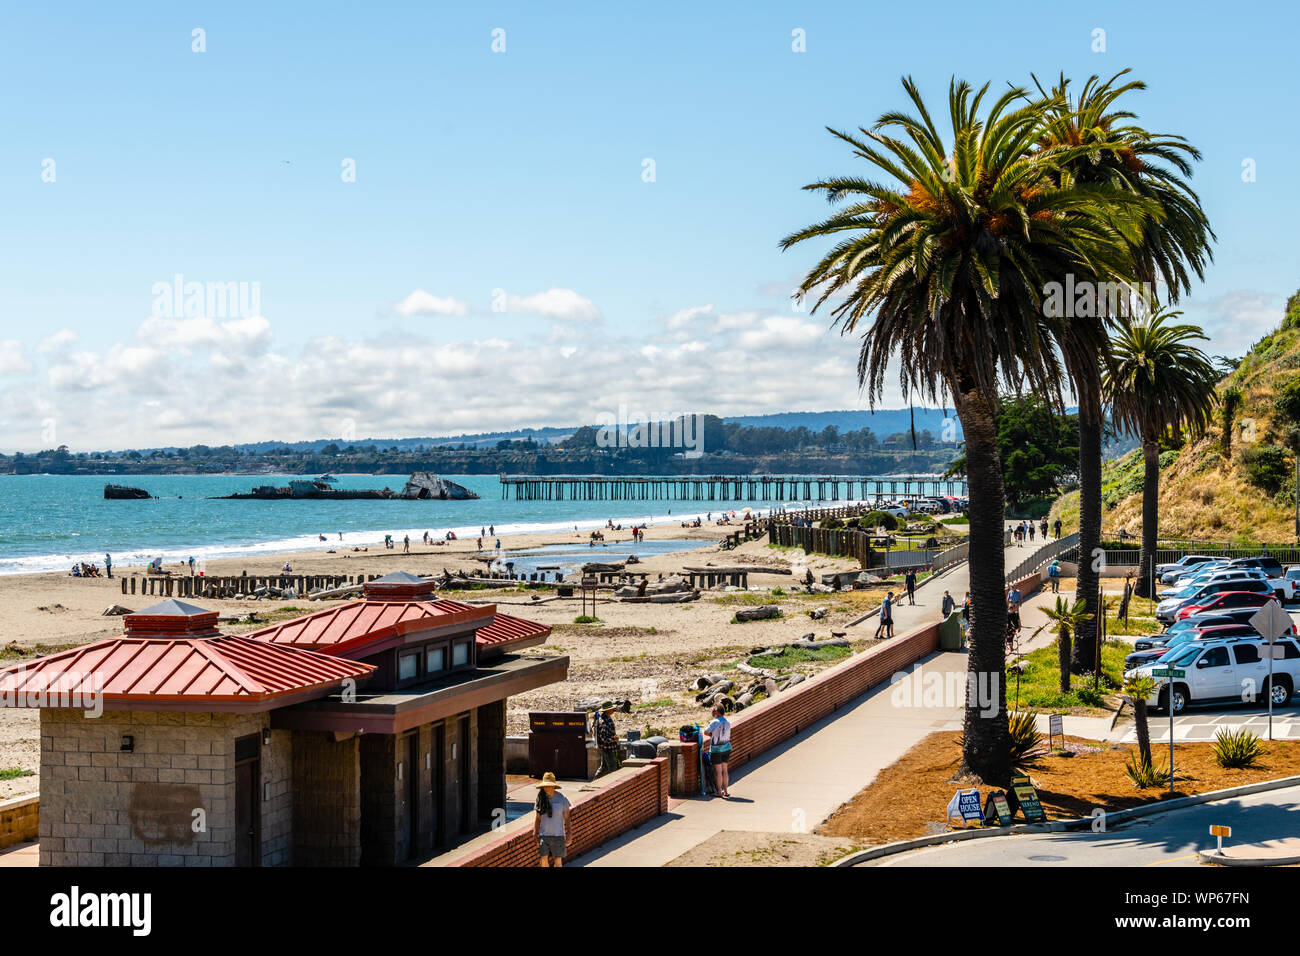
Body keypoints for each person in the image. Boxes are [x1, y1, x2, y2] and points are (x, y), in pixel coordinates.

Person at [532, 772, 571, 867]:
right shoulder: (540, 799)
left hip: (558, 835)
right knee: (543, 859)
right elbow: (537, 818)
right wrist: (535, 832)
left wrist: (569, 833)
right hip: (544, 835)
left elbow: (567, 818)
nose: (547, 788)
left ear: (553, 786)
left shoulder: (562, 798)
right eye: (545, 786)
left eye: (549, 786)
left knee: (558, 862)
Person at [704, 703, 732, 798]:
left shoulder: (714, 722)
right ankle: (726, 791)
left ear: (716, 711)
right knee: (725, 770)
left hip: (716, 749)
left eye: (713, 710)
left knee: (718, 772)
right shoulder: (727, 722)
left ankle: (719, 791)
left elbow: (705, 732)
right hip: (727, 748)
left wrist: (712, 735)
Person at [593, 701, 621, 779]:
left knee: (603, 768)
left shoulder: (608, 718)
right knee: (612, 767)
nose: (613, 710)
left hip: (608, 747)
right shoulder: (603, 721)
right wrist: (613, 739)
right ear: (607, 710)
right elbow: (603, 738)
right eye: (611, 709)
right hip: (606, 748)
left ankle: (594, 782)